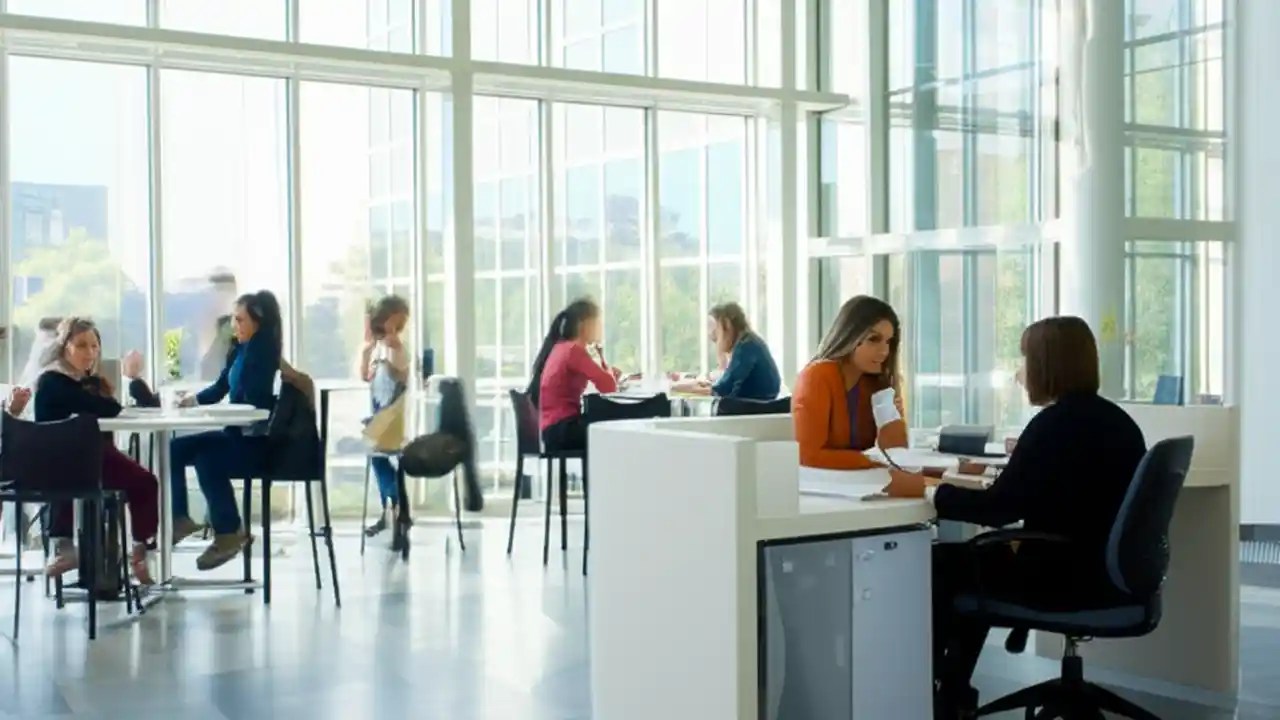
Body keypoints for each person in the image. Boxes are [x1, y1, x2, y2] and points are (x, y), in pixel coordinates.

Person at [882, 316, 1147, 718]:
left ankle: (936, 695)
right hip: (1102, 571)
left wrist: (926, 491)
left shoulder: (1053, 425)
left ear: (1046, 364)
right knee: (972, 563)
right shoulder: (1117, 422)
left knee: (941, 565)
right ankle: (950, 691)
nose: (1019, 374)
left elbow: (1000, 509)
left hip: (1061, 575)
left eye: (1024, 360)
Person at [32, 318, 159, 585]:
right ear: (65, 347)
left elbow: (107, 407)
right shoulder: (54, 381)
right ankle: (69, 547)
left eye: (94, 346)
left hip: (85, 460)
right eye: (81, 345)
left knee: (145, 482)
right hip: (66, 464)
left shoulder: (81, 380)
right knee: (142, 481)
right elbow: (109, 408)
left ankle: (139, 550)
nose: (90, 353)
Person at [168, 290, 282, 571]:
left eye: (240, 320)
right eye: (233, 319)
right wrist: (193, 400)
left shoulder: (263, 351)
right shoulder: (240, 350)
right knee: (174, 449)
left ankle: (228, 532)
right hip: (235, 434)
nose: (234, 325)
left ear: (258, 322)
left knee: (207, 458)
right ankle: (181, 518)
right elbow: (221, 387)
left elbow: (254, 399)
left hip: (253, 442)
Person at [791, 295, 908, 469]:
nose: (884, 351)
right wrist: (873, 460)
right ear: (850, 337)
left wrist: (892, 421)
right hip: (822, 482)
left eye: (889, 342)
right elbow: (807, 455)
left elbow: (897, 457)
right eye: (873, 339)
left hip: (863, 481)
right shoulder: (817, 376)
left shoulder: (875, 383)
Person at [528, 298, 620, 452]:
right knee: (615, 431)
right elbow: (608, 386)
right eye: (597, 322)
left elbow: (605, 383)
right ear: (585, 325)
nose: (600, 327)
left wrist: (606, 372)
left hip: (553, 429)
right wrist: (608, 371)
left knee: (607, 428)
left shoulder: (561, 348)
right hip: (563, 430)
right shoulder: (573, 351)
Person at [359, 295, 411, 538]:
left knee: (379, 457)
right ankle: (392, 507)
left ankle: (394, 504)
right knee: (377, 458)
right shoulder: (378, 347)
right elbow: (365, 376)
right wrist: (367, 350)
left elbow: (401, 376)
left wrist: (387, 339)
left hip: (393, 418)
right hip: (379, 412)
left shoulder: (397, 347)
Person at [672, 302, 781, 401]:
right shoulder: (750, 341)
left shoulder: (746, 347)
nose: (714, 337)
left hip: (756, 407)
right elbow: (727, 384)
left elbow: (723, 390)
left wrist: (680, 387)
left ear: (727, 325)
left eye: (717, 330)